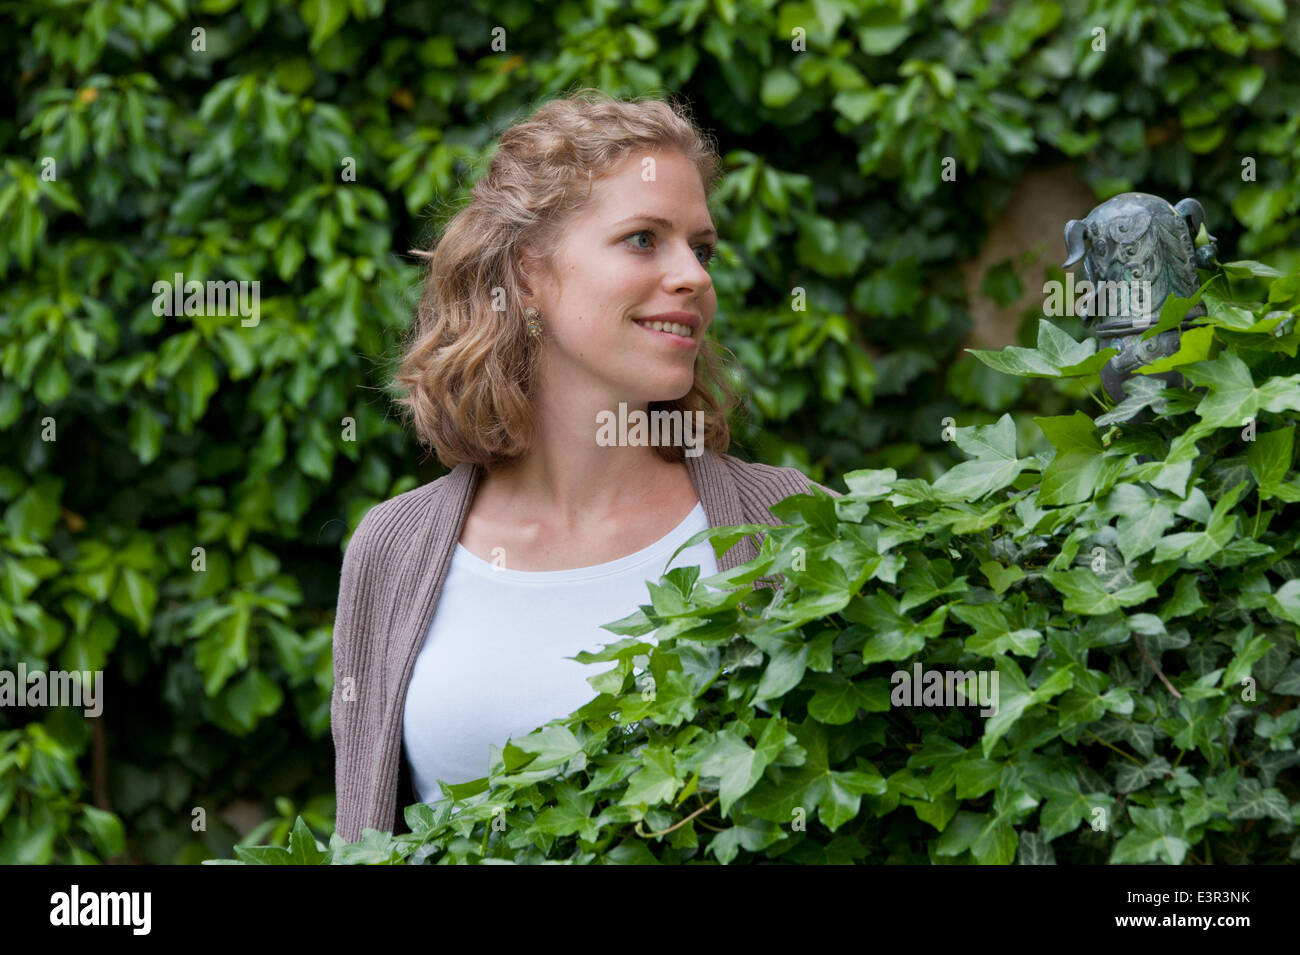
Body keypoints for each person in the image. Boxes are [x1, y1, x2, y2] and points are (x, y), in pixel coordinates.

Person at [331, 88, 838, 844]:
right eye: (643, 239)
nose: (694, 276)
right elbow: (362, 840)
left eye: (701, 248)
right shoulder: (394, 550)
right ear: (529, 275)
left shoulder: (791, 523)